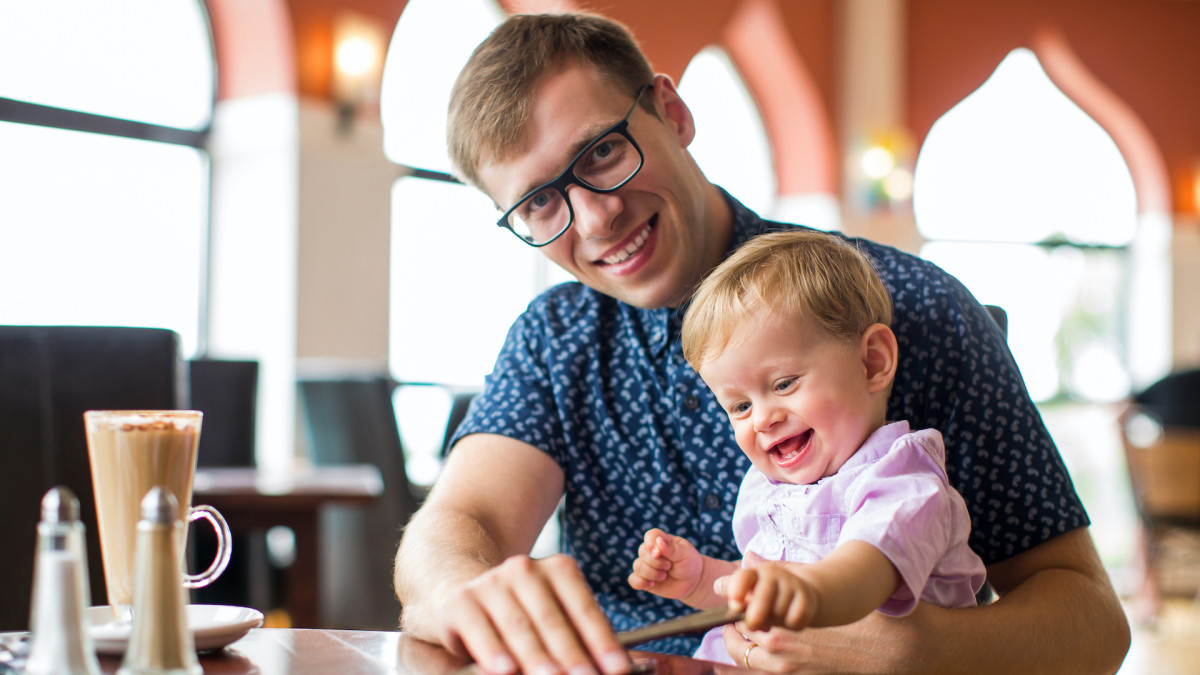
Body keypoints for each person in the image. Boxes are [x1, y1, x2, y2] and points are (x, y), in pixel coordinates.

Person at [393, 11, 1129, 675]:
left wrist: (922, 649)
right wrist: (461, 589)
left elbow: (1094, 624)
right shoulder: (558, 336)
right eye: (541, 202)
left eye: (603, 155)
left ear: (672, 113)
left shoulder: (915, 308)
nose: (594, 220)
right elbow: (463, 525)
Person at [627, 230, 987, 666]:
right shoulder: (771, 490)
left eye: (784, 384)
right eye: (740, 406)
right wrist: (702, 579)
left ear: (872, 361)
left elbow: (862, 574)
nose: (762, 419)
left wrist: (805, 593)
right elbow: (761, 588)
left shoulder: (903, 480)